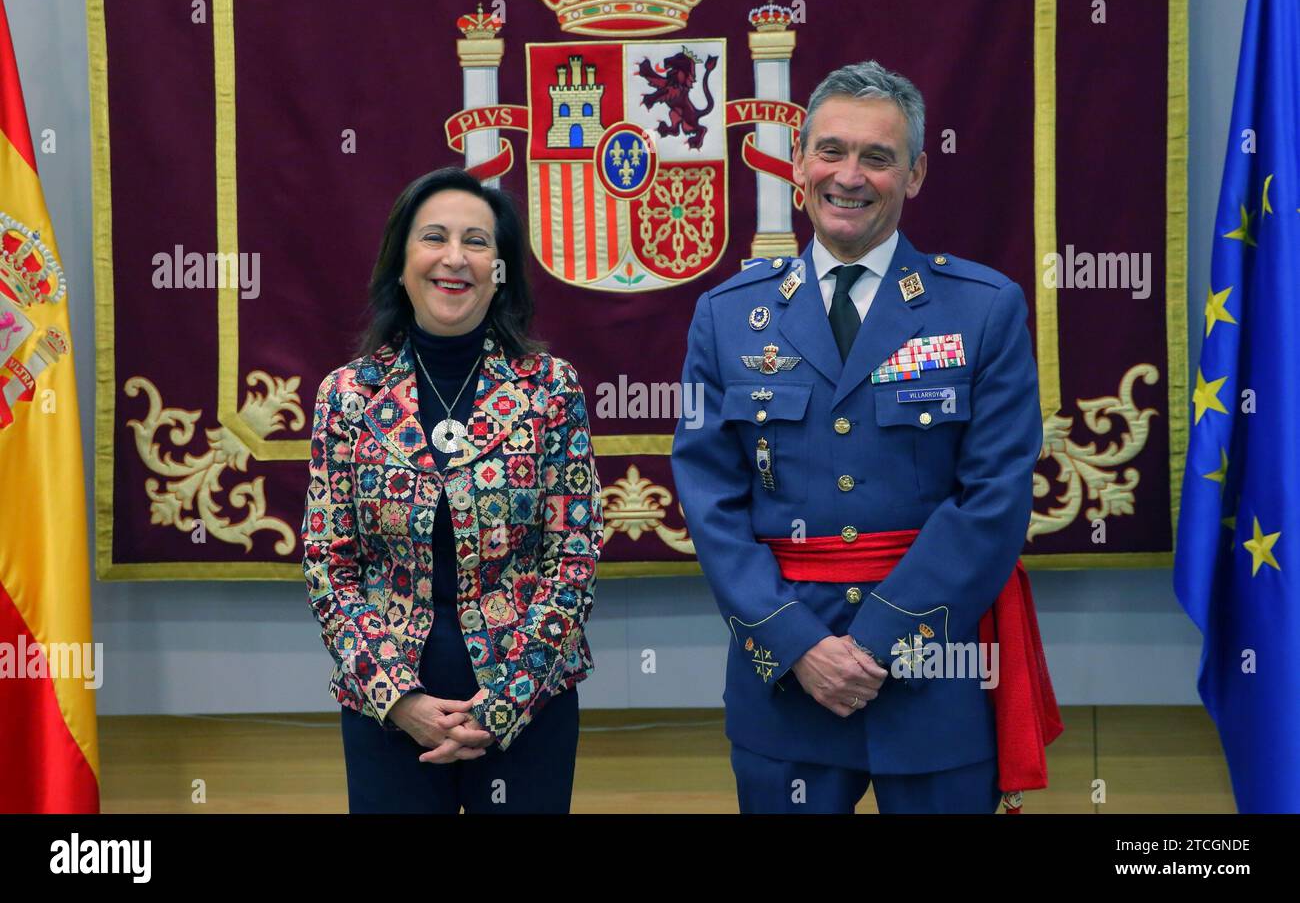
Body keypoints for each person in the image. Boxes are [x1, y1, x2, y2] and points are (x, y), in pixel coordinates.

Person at [671, 61, 1060, 814]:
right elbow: (708, 497)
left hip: (935, 670)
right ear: (798, 165)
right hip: (784, 674)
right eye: (831, 151)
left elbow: (995, 499)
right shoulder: (725, 316)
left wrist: (880, 639)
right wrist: (800, 645)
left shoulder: (983, 310)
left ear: (914, 174)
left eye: (877, 158)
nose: (849, 176)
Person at [302, 167, 603, 813]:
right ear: (401, 262)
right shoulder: (347, 397)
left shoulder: (550, 389)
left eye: (478, 242)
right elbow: (329, 566)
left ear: (501, 270)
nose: (455, 258)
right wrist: (399, 699)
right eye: (434, 237)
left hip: (530, 708)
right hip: (388, 715)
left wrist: (503, 704)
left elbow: (573, 561)